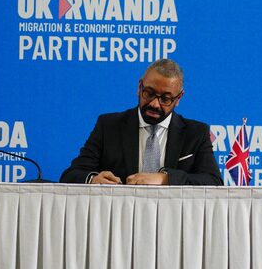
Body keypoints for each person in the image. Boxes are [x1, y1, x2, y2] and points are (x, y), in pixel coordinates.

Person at [60, 59, 223, 186]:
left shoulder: (196, 133)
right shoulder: (108, 126)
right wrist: (93, 179)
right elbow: (71, 175)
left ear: (178, 98)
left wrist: (165, 179)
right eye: (149, 93)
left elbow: (213, 182)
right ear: (139, 87)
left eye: (165, 99)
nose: (154, 104)